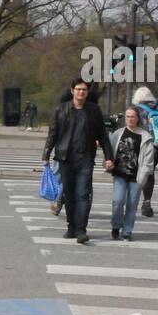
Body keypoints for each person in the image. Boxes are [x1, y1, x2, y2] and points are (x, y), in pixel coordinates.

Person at [42, 77, 112, 244]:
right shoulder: (61, 109)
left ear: (87, 93)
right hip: (65, 158)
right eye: (79, 89)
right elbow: (53, 133)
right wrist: (46, 154)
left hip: (85, 159)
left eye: (84, 90)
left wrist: (109, 157)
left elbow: (103, 136)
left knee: (83, 195)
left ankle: (81, 230)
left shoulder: (94, 110)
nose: (81, 92)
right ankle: (71, 227)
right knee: (69, 195)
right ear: (72, 91)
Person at [105, 105, 155, 241]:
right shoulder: (118, 133)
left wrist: (144, 173)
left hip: (136, 176)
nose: (130, 119)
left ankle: (127, 231)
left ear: (138, 118)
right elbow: (109, 151)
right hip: (120, 174)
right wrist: (108, 162)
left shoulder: (145, 137)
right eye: (127, 116)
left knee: (132, 205)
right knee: (118, 201)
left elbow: (148, 160)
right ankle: (116, 226)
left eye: (133, 116)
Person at [132, 86, 158, 217]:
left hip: (141, 145)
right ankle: (147, 201)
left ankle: (133, 200)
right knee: (149, 173)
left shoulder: (136, 110)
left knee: (136, 172)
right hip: (157, 146)